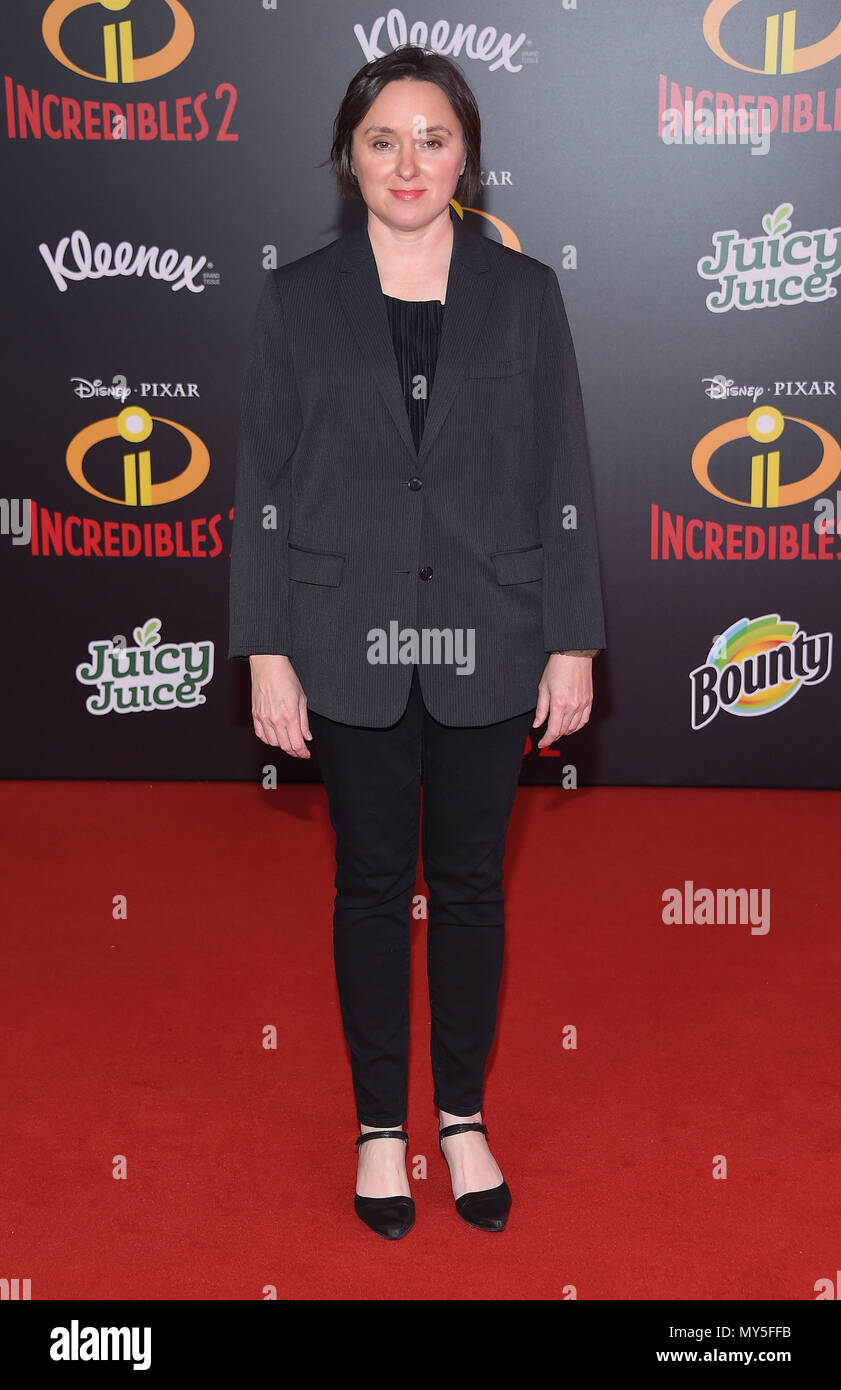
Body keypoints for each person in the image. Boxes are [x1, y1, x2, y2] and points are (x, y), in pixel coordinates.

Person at [228, 45, 606, 1240]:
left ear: (466, 155)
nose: (408, 161)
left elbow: (561, 478)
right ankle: (378, 1130)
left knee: (476, 887)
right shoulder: (294, 299)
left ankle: (460, 1115)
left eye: (432, 138)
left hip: (492, 636)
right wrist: (267, 650)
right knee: (371, 886)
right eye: (383, 138)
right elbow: (265, 485)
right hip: (344, 639)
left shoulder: (526, 293)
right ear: (350, 156)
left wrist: (572, 641)